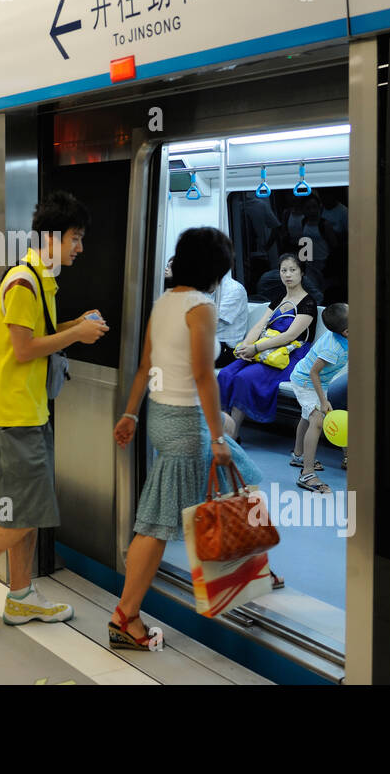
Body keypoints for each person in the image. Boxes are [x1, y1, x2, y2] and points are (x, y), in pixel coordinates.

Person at [0, 191, 108, 625]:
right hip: (15, 413)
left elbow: (38, 336)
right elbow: (25, 350)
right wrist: (76, 336)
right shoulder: (23, 282)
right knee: (25, 509)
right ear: (53, 237)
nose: (80, 247)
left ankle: (21, 595)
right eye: (75, 238)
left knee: (29, 508)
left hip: (30, 410)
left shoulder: (42, 280)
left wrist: (75, 325)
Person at [109, 228, 267, 649]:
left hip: (162, 415)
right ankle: (126, 616)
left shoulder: (164, 302)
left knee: (244, 476)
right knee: (156, 524)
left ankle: (242, 573)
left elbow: (145, 365)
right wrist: (218, 434)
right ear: (215, 269)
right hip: (186, 423)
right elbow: (203, 375)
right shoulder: (200, 306)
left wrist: (130, 414)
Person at [216, 253, 316, 439]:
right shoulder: (279, 299)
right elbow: (260, 325)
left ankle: (232, 436)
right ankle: (224, 428)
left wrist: (255, 349)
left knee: (244, 378)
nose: (287, 274)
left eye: (292, 270)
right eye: (283, 270)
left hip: (289, 354)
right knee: (226, 374)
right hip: (265, 348)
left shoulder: (308, 302)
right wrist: (245, 346)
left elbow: (290, 335)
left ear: (301, 273)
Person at [290, 303, 349, 492]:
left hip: (314, 380)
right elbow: (314, 372)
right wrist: (323, 401)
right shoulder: (333, 348)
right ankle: (307, 474)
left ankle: (298, 454)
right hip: (307, 381)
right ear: (347, 331)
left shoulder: (345, 337)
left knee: (307, 416)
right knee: (316, 419)